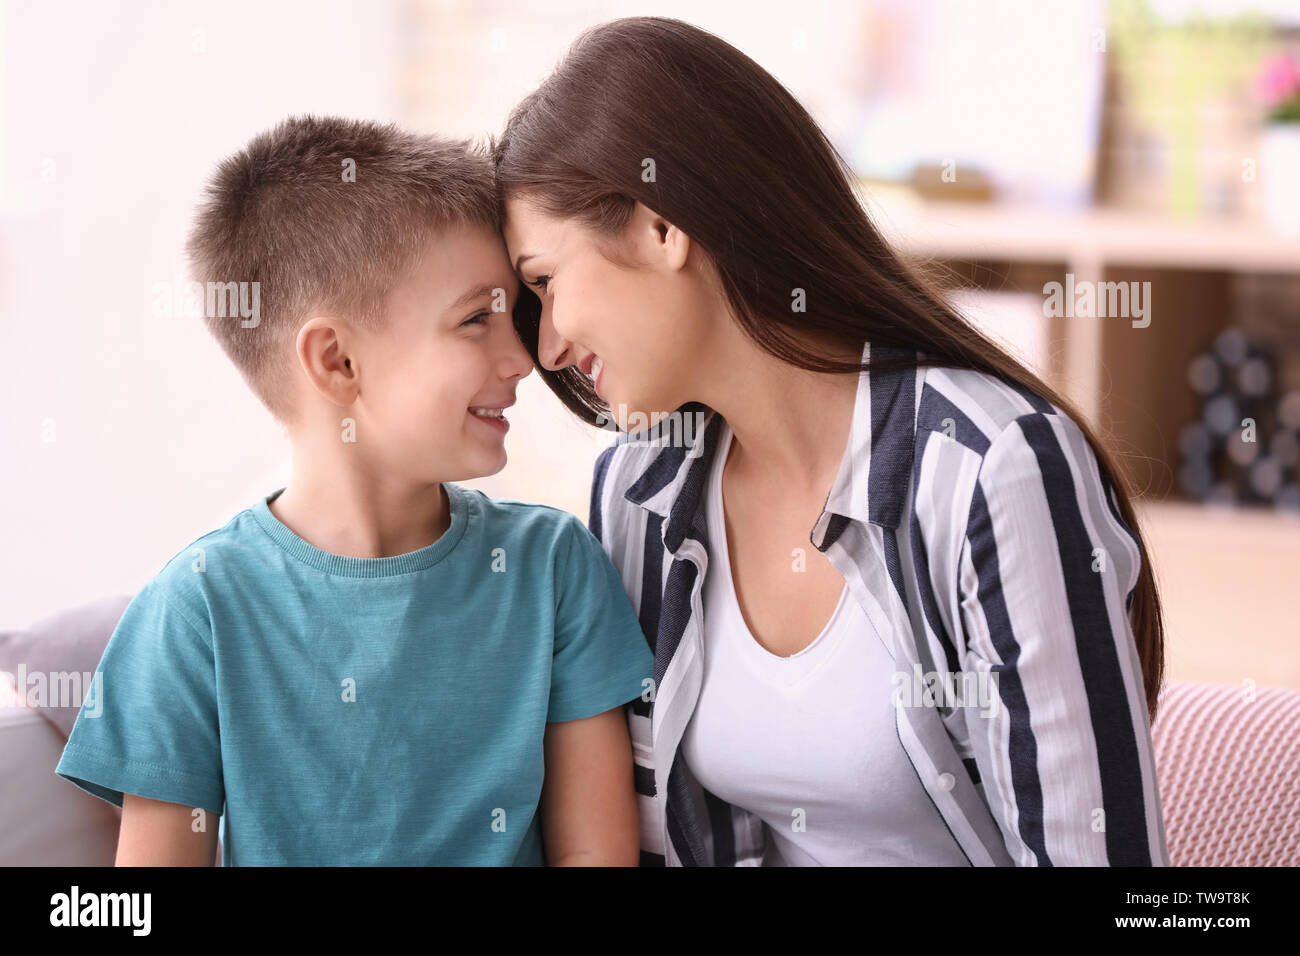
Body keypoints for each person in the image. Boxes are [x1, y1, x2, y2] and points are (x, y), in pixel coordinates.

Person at [495, 17, 1170, 866]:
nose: (547, 345)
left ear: (660, 227)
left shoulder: (989, 470)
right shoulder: (639, 493)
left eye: (546, 284)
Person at [55, 115, 653, 866]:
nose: (522, 359)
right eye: (476, 320)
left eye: (515, 315)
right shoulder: (196, 611)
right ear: (337, 362)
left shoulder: (554, 569)